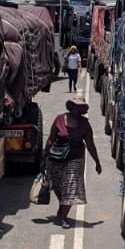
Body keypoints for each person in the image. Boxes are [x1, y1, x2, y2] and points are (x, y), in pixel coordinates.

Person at [43, 96, 101, 227]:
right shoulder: (59, 119)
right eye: (75, 106)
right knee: (57, 186)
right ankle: (62, 204)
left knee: (70, 188)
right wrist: (44, 157)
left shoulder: (84, 124)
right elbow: (51, 139)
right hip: (56, 158)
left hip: (75, 158)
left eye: (79, 108)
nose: (76, 110)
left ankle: (63, 217)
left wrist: (97, 162)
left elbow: (90, 144)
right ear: (70, 107)